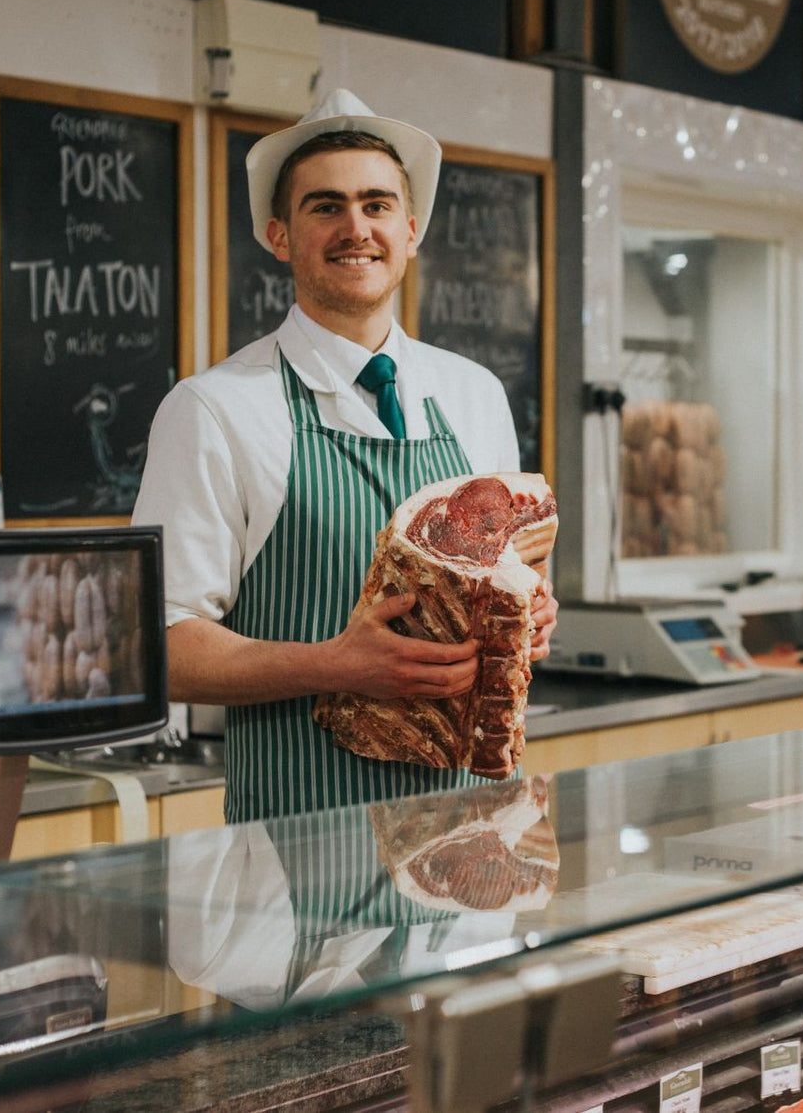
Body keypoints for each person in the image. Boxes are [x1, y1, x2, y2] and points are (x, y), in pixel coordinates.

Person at [131, 88, 558, 823]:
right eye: (325, 206)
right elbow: (156, 647)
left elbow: (514, 580)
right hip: (301, 845)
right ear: (279, 236)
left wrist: (532, 618)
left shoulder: (476, 394)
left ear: (411, 231)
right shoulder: (214, 409)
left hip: (472, 837)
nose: (355, 228)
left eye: (376, 205)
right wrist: (334, 665)